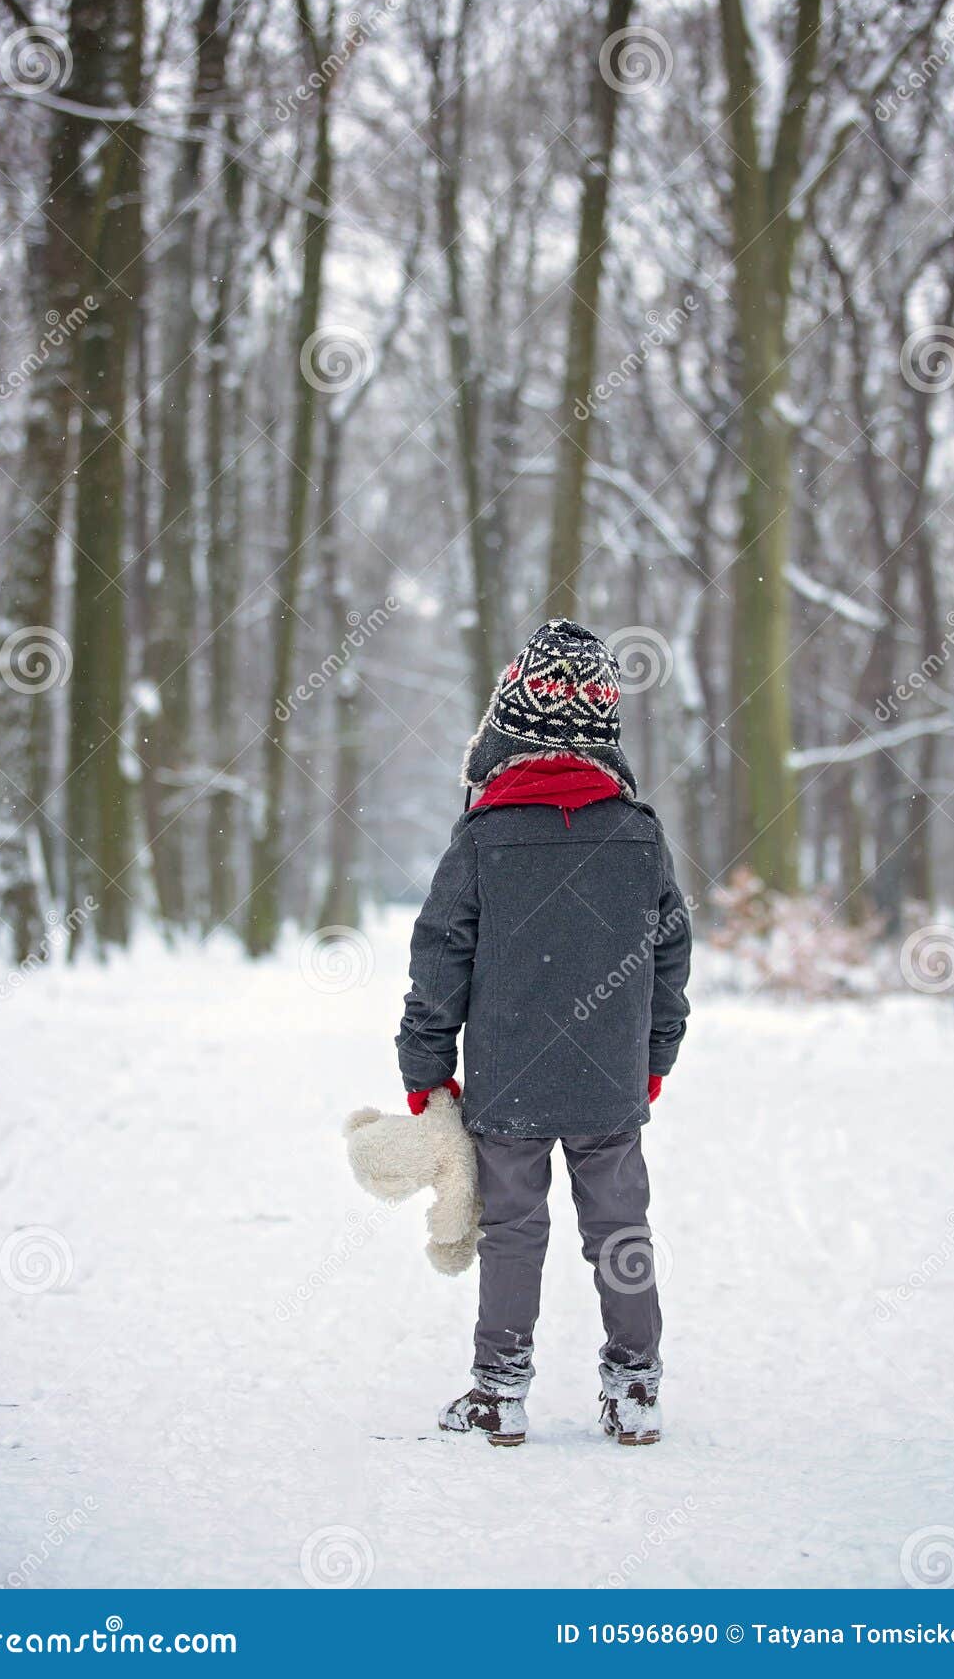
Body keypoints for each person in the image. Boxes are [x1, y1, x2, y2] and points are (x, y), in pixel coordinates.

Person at [396, 618, 691, 1446]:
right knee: (619, 1229)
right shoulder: (638, 834)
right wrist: (653, 1057)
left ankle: (499, 1389)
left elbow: (439, 959)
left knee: (511, 1230)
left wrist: (425, 1067)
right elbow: (670, 955)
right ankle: (634, 1388)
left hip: (509, 1079)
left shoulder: (485, 837)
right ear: (604, 726)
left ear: (509, 722)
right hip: (606, 1081)